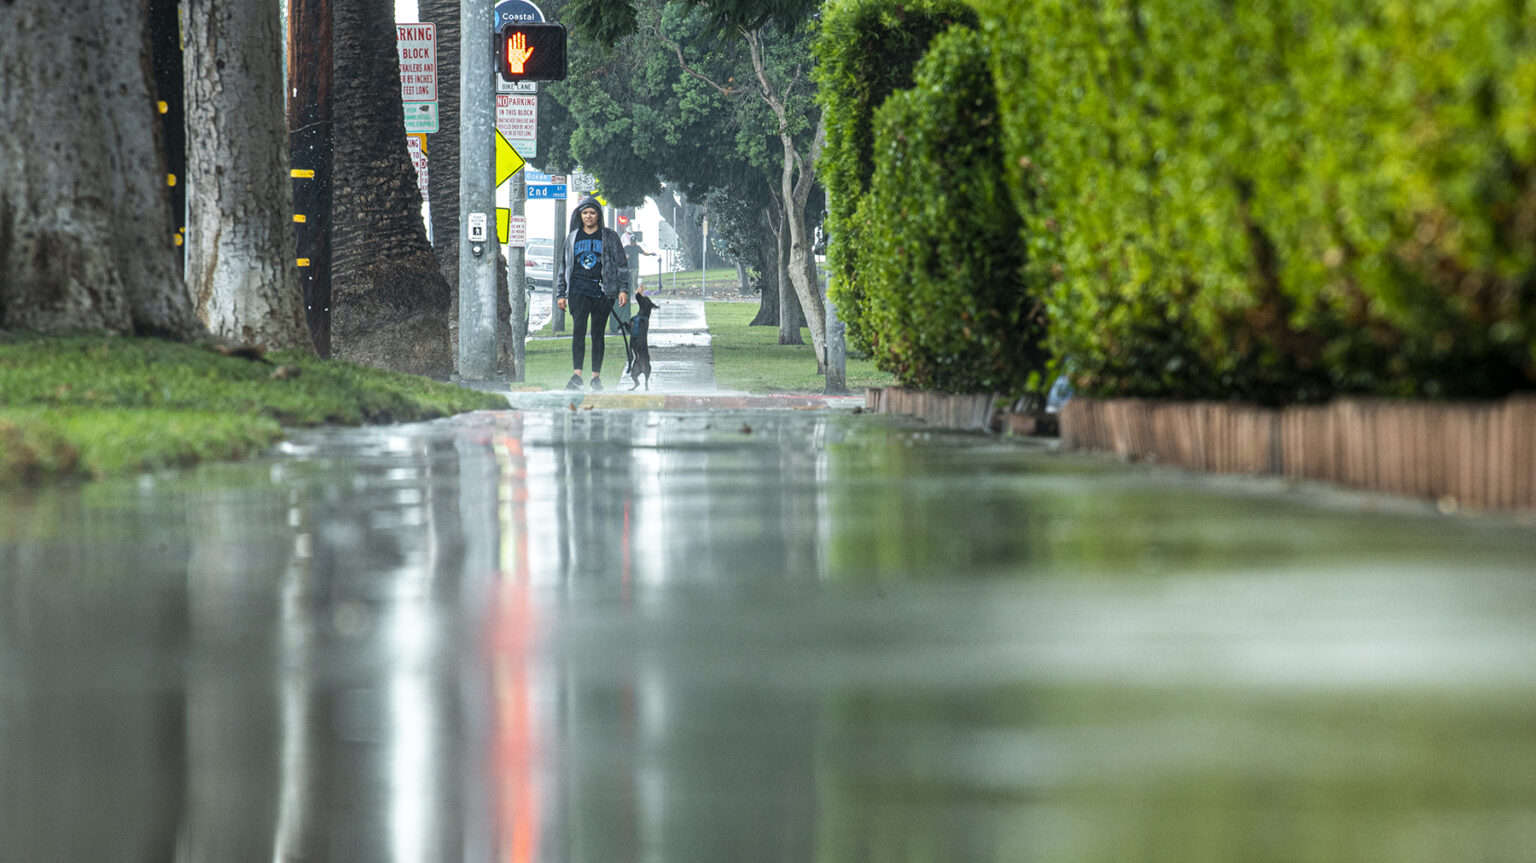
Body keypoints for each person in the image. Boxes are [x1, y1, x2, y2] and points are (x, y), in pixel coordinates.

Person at [556, 197, 629, 391]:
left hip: (602, 292)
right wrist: (560, 293)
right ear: (580, 215)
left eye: (592, 212)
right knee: (578, 331)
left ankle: (596, 377)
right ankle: (577, 375)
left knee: (598, 333)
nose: (589, 216)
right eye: (585, 212)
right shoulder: (572, 238)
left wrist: (623, 289)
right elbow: (563, 267)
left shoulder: (609, 237)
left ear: (599, 215)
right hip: (578, 290)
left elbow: (621, 265)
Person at [611, 230, 657, 334]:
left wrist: (651, 254)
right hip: (628, 267)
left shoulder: (637, 247)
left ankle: (635, 294)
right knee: (629, 282)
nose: (633, 243)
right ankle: (631, 293)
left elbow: (644, 253)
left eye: (634, 241)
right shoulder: (626, 248)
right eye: (632, 241)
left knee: (634, 282)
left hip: (635, 267)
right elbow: (621, 255)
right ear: (630, 241)